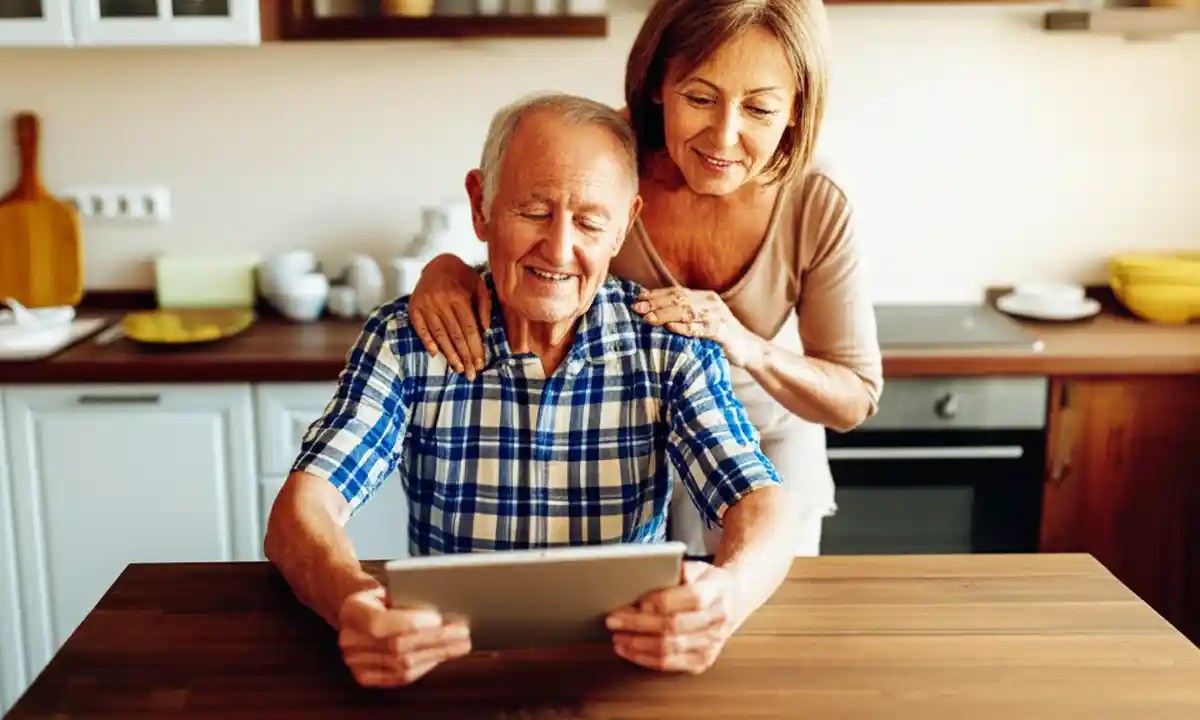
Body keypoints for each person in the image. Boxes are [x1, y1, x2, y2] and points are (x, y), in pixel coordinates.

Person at [264, 93, 798, 689]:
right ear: (481, 205)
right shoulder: (408, 339)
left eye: (591, 221)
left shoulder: (669, 346)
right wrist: (351, 602)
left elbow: (759, 500)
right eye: (535, 210)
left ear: (625, 224)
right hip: (449, 668)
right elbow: (303, 510)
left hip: (621, 670)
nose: (560, 247)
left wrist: (730, 593)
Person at [407, 0, 882, 558]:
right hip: (630, 442)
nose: (724, 137)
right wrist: (449, 270)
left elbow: (854, 399)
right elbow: (526, 241)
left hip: (769, 438)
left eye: (759, 109)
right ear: (659, 83)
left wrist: (745, 344)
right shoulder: (609, 155)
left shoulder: (816, 197)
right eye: (700, 98)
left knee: (760, 618)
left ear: (797, 110)